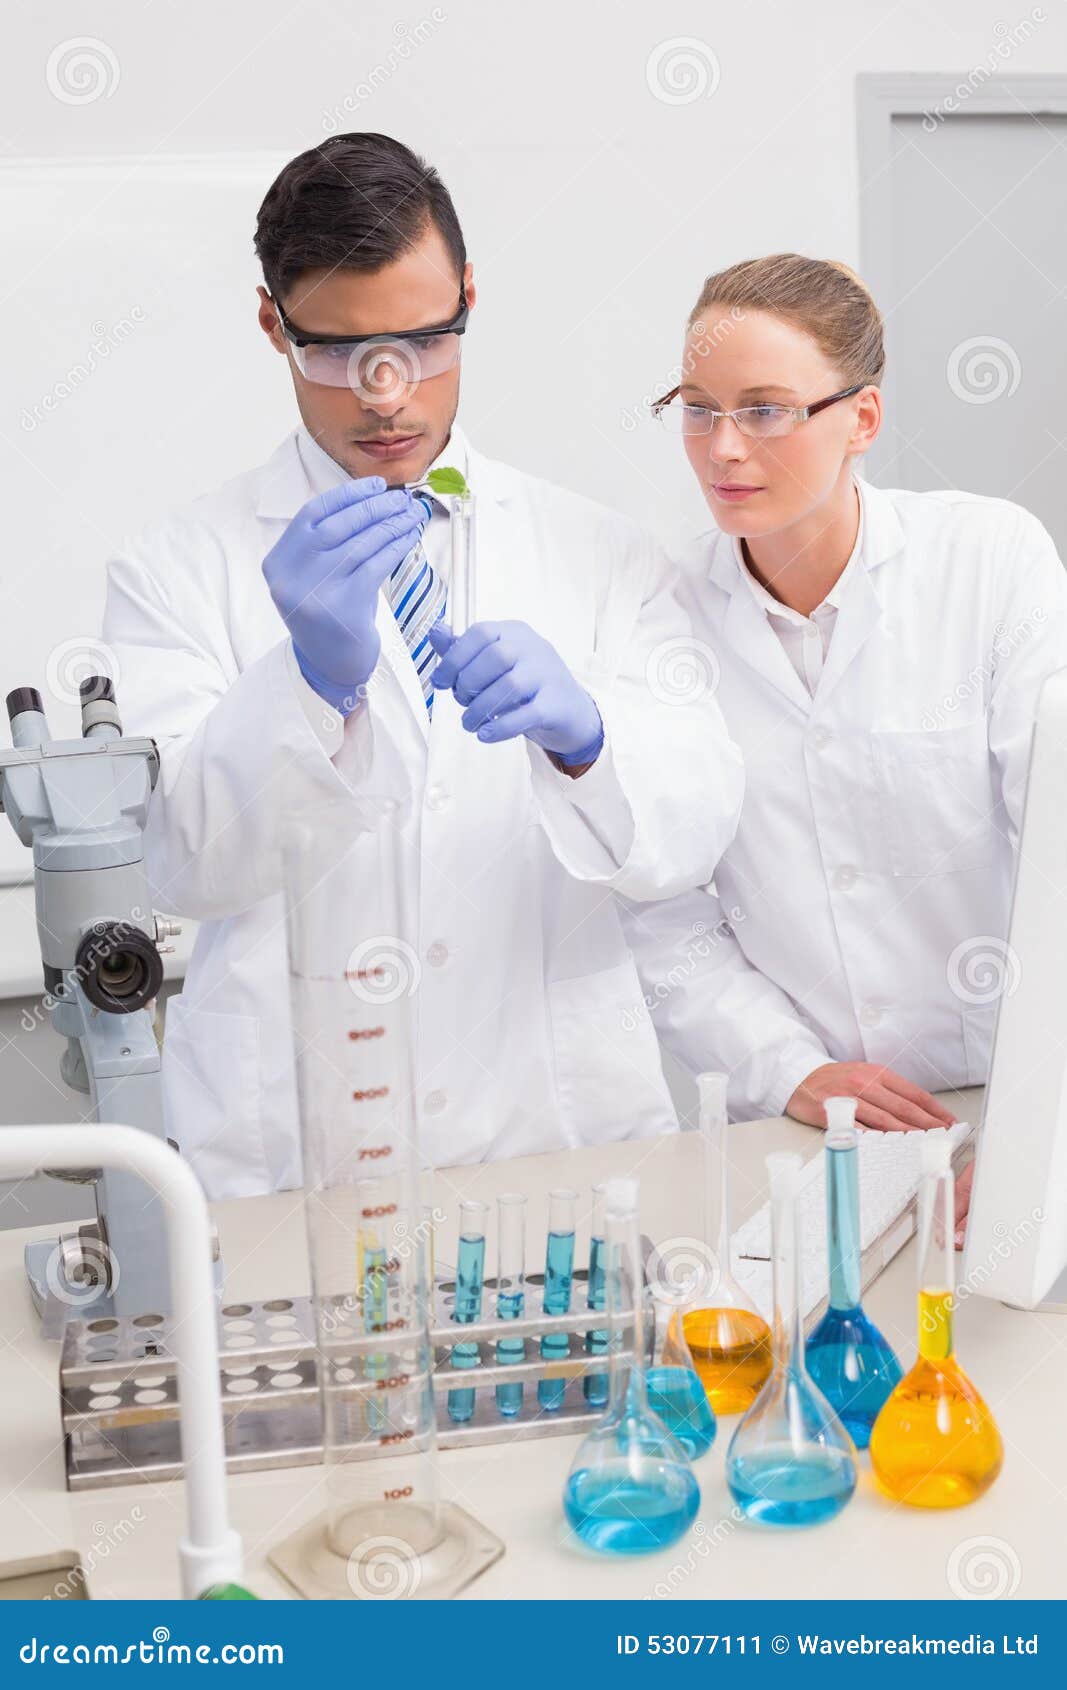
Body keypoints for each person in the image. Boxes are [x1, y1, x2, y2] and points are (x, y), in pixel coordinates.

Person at [101, 134, 743, 1199]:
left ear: (469, 298)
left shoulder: (599, 550)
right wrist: (307, 686)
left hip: (562, 1147)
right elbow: (183, 866)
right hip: (296, 1174)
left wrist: (590, 742)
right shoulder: (173, 569)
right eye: (340, 350)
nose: (386, 393)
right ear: (273, 323)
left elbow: (697, 824)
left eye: (421, 341)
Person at [626, 253, 1067, 1221]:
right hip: (796, 1123)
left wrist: (1035, 1125)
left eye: (764, 408)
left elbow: (1059, 855)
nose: (722, 449)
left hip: (1006, 1099)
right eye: (696, 407)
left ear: (860, 419)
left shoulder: (986, 563)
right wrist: (791, 1067)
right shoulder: (660, 613)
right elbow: (662, 909)